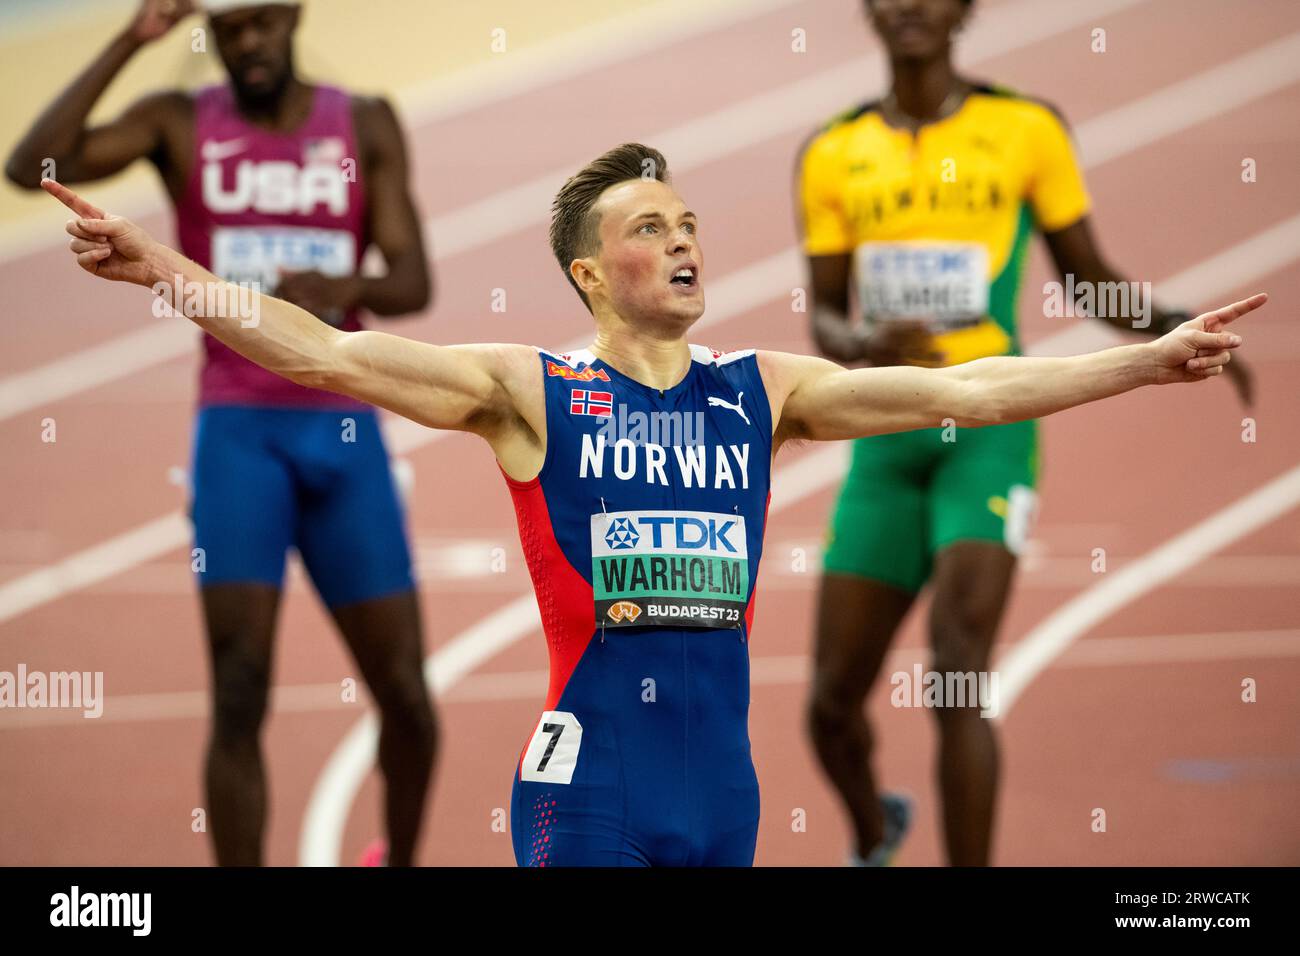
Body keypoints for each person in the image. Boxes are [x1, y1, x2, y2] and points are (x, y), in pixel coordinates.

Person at [41, 140, 1259, 866]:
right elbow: (324, 353)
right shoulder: (529, 391)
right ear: (589, 272)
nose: (682, 240)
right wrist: (163, 267)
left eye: (686, 222)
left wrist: (1141, 359)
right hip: (590, 793)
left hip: (722, 795)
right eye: (647, 228)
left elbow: (975, 389)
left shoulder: (760, 390)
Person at [796, 0, 1253, 866]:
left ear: (965, 7)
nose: (910, 8)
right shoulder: (831, 151)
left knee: (957, 671)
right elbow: (824, 315)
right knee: (828, 702)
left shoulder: (1025, 128)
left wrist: (1176, 332)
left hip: (989, 427)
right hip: (888, 440)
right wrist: (866, 344)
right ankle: (872, 834)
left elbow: (1087, 279)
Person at [6, 0, 436, 866]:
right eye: (231, 30)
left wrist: (334, 281)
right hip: (238, 429)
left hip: (342, 424)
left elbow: (413, 279)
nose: (248, 45)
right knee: (239, 690)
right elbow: (32, 166)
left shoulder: (364, 121)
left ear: (292, 18)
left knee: (406, 693)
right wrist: (134, 38)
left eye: (262, 24)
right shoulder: (178, 122)